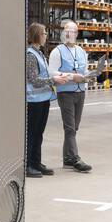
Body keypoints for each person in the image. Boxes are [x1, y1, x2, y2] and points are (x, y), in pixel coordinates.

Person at [24, 23, 72, 178]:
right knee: (32, 134)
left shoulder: (39, 53)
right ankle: (28, 165)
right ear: (37, 35)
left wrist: (56, 78)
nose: (46, 36)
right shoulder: (30, 55)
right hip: (34, 101)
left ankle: (36, 162)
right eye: (44, 33)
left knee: (39, 133)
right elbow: (35, 80)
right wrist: (54, 80)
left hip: (43, 99)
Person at [49, 19, 93, 172]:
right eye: (66, 30)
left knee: (74, 127)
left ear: (76, 33)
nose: (69, 33)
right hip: (66, 93)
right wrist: (71, 76)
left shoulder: (81, 51)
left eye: (72, 31)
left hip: (80, 92)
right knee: (69, 127)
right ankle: (75, 159)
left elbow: (84, 70)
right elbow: (52, 73)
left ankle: (67, 159)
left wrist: (89, 76)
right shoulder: (57, 51)